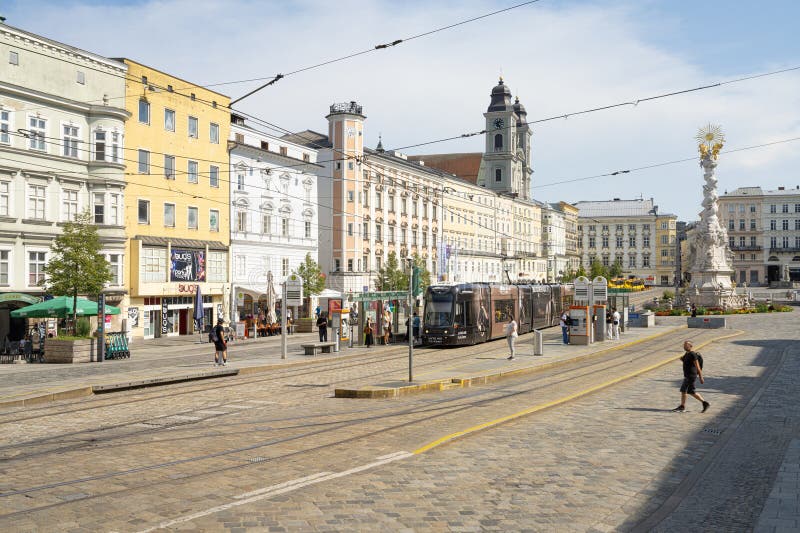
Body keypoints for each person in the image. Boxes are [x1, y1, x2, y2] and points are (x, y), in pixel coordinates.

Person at [673, 340, 710, 413]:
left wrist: (701, 377)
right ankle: (705, 403)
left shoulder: (693, 354)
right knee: (691, 391)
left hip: (691, 375)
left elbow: (698, 367)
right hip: (688, 375)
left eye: (686, 345)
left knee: (684, 390)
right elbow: (686, 361)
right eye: (684, 345)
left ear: (691, 346)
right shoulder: (686, 354)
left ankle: (682, 406)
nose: (684, 346)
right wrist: (682, 359)